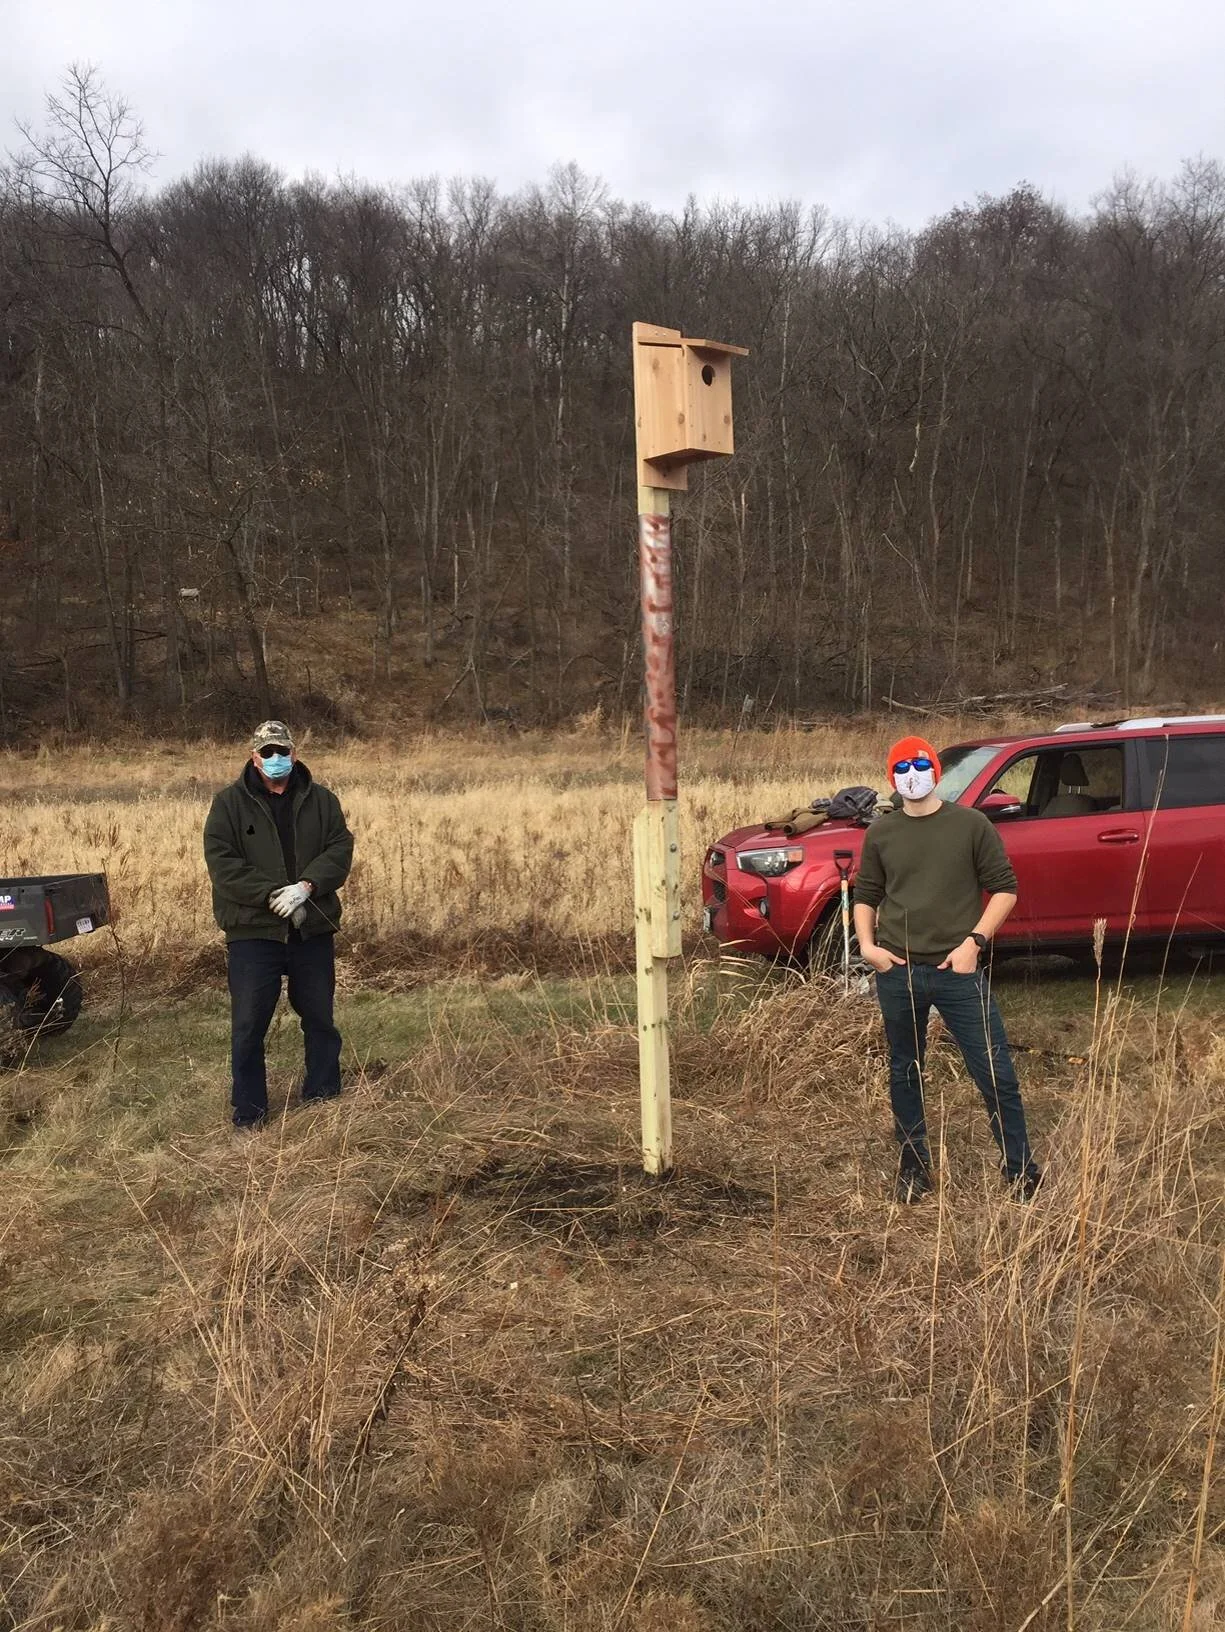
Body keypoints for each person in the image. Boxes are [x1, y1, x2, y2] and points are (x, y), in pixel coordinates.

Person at [852, 735, 1042, 1203]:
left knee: (995, 1071)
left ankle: (1021, 1171)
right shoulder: (882, 833)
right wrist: (869, 947)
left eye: (920, 766)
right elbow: (867, 894)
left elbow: (1004, 889)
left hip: (957, 972)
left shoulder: (971, 825)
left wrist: (974, 943)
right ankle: (914, 1169)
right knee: (905, 1069)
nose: (912, 776)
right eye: (902, 768)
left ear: (935, 772)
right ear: (891, 776)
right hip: (898, 972)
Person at [203, 721, 354, 1130]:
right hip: (253, 932)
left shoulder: (322, 801)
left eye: (282, 751)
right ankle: (249, 1113)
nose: (275, 758)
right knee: (249, 1025)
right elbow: (223, 865)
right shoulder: (228, 804)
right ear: (254, 757)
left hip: (311, 929)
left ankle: (323, 1098)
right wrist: (273, 895)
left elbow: (339, 849)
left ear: (294, 753)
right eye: (267, 752)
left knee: (320, 1018)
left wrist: (307, 887)